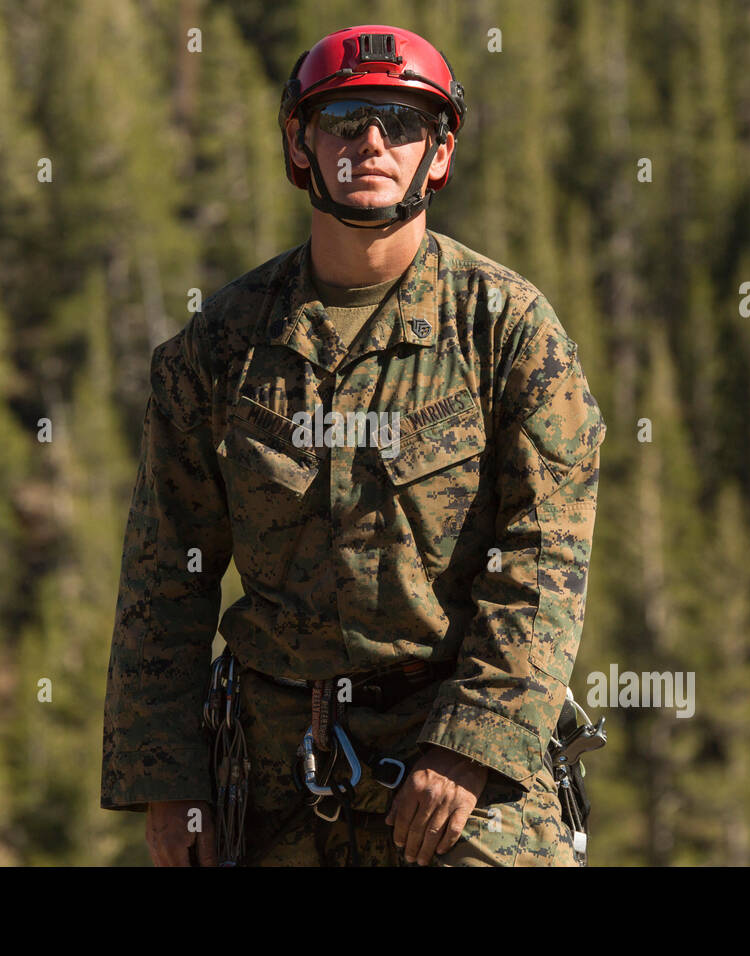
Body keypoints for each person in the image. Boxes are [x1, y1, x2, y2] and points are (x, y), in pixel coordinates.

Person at [101, 24, 607, 867]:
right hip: (272, 768)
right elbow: (165, 571)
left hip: (458, 762)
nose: (370, 142)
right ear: (301, 145)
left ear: (437, 154)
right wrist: (170, 784)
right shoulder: (222, 345)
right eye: (344, 121)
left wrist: (470, 745)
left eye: (400, 123)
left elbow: (545, 555)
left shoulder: (508, 330)